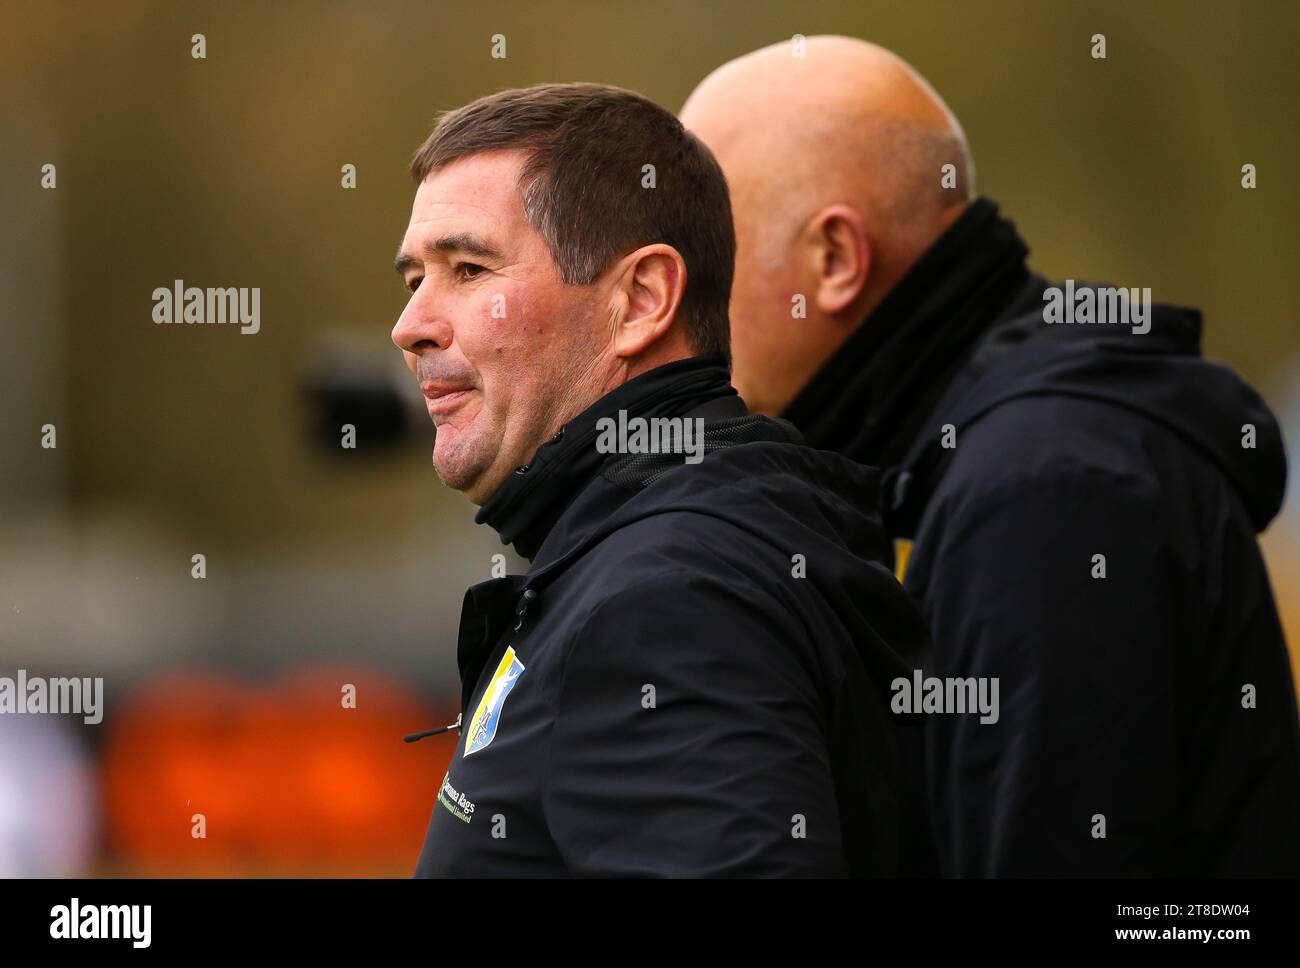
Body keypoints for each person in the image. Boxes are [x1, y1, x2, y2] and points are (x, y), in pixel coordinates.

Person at [681, 36, 1300, 876]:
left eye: (709, 263)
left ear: (833, 260)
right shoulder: (971, 454)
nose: (677, 318)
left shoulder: (1042, 488)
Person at [392, 82, 932, 876]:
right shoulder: (688, 544)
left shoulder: (669, 598)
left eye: (469, 269)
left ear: (641, 300)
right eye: (414, 281)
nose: (411, 326)